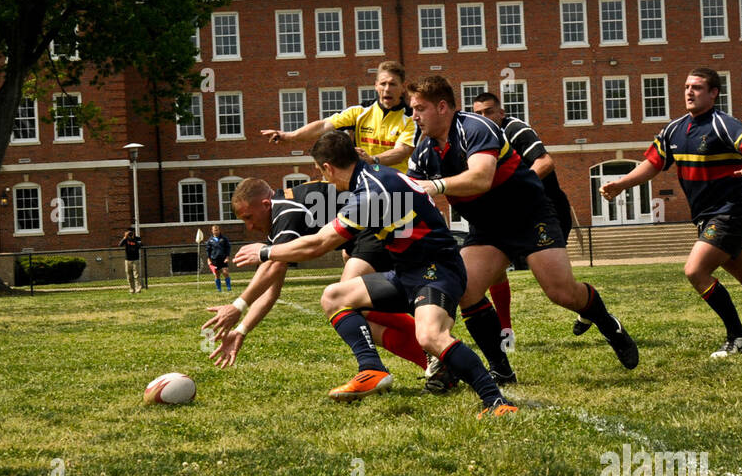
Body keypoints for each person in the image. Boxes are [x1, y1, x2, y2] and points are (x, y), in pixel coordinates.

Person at [232, 132, 516, 419]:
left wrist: (265, 252)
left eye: (321, 172)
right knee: (334, 296)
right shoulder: (374, 176)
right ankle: (372, 369)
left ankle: (495, 401)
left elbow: (319, 244)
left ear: (328, 168)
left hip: (435, 270)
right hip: (405, 273)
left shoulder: (369, 192)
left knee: (431, 336)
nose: (325, 179)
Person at [406, 74, 638, 381]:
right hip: (487, 228)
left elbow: (480, 178)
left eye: (419, 108)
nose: (414, 116)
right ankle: (501, 370)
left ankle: (608, 324)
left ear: (443, 107)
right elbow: (411, 196)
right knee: (467, 290)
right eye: (412, 109)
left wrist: (432, 186)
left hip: (529, 216)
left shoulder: (476, 127)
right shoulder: (423, 151)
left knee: (562, 292)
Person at [598, 68, 742, 358]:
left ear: (713, 93)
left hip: (729, 213)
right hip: (708, 217)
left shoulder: (723, 124)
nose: (689, 92)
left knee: (695, 271)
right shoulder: (674, 129)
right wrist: (622, 183)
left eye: (697, 88)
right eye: (687, 87)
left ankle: (737, 335)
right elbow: (652, 164)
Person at [203, 178, 429, 375]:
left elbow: (273, 267)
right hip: (371, 232)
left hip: (382, 227)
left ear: (265, 204)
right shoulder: (279, 216)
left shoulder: (286, 211)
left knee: (344, 302)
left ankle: (391, 365)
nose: (250, 226)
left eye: (249, 217)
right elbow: (272, 289)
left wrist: (238, 306)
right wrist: (241, 330)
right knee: (357, 307)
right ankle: (430, 354)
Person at [260, 60, 416, 283]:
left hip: (397, 195)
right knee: (349, 252)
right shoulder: (361, 112)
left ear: (403, 87)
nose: (387, 89)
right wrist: (289, 136)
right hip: (364, 192)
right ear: (375, 85)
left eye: (393, 84)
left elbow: (402, 151)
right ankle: (363, 296)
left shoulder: (410, 119)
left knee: (396, 260)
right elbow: (324, 125)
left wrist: (374, 159)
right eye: (383, 83)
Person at [470, 91, 574, 350]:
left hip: (545, 209)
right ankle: (506, 331)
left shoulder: (514, 128)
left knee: (559, 287)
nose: (485, 118)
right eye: (479, 113)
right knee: (492, 272)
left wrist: (515, 191)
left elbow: (545, 162)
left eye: (490, 112)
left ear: (501, 113)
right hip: (505, 214)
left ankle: (589, 311)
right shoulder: (474, 138)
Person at [204, 224, 231, 292]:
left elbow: (228, 248)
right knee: (217, 274)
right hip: (214, 259)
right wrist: (208, 259)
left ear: (219, 230)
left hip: (223, 259)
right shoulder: (210, 241)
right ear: (212, 231)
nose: (216, 231)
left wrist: (227, 257)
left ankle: (229, 287)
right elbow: (208, 251)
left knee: (225, 272)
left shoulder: (224, 239)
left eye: (217, 230)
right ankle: (219, 289)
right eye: (214, 230)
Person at [118, 229, 143, 293]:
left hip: (135, 259)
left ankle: (138, 288)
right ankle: (132, 289)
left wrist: (133, 239)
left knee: (136, 275)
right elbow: (120, 245)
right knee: (129, 276)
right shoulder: (126, 239)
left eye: (131, 233)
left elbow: (140, 246)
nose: (130, 234)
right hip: (127, 260)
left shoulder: (138, 238)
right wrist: (124, 238)